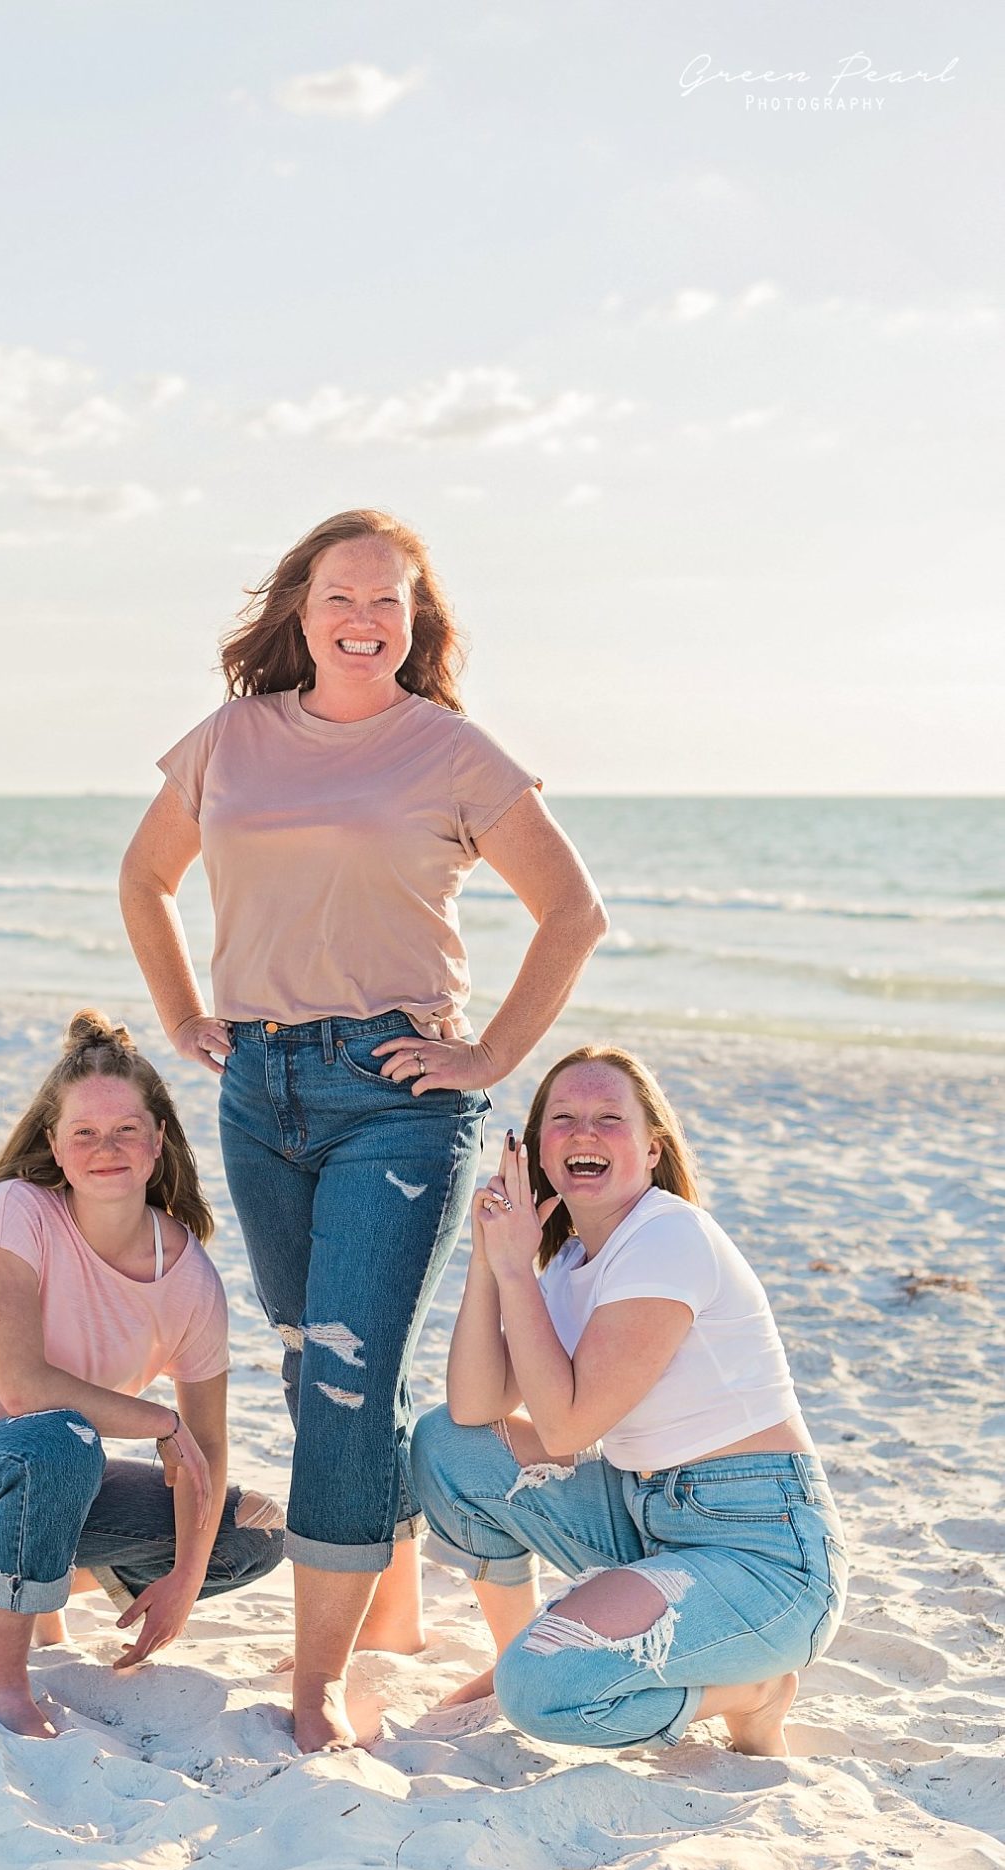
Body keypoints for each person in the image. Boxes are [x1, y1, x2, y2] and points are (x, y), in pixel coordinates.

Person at [120, 507, 607, 1751]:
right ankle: (387, 1604)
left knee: (344, 1379)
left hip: (395, 1096)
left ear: (414, 623)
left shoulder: (449, 750)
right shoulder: (231, 737)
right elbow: (145, 877)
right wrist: (183, 1012)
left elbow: (572, 913)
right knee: (313, 1364)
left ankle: (318, 1678)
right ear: (300, 610)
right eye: (343, 596)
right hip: (256, 1088)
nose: (364, 620)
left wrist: (490, 1056)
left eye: (390, 601)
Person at [0, 1011, 284, 1738]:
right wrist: (159, 1422)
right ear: (54, 1145)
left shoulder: (191, 1281)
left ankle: (45, 1578)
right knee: (59, 1437)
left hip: (55, 1473)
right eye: (83, 1132)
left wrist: (183, 1579)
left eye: (125, 1130)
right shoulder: (16, 1211)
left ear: (157, 1141)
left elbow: (205, 1450)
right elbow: (25, 1389)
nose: (104, 1148)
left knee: (251, 1532)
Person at [410, 1044, 847, 1757]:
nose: (584, 1132)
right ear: (539, 1152)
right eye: (564, 1119)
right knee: (446, 1446)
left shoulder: (668, 1236)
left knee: (543, 1692)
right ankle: (516, 1648)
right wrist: (490, 1260)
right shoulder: (569, 1266)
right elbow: (470, 1409)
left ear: (652, 1149)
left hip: (763, 1553)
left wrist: (518, 1271)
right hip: (647, 1516)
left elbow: (567, 1426)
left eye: (609, 1118)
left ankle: (754, 1690)